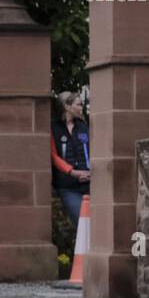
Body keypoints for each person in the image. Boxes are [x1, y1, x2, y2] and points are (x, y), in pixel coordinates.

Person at [52, 90, 91, 233]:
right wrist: (72, 172)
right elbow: (53, 156)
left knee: (98, 225)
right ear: (67, 107)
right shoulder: (53, 128)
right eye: (78, 104)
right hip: (68, 187)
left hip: (89, 184)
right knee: (83, 224)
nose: (82, 108)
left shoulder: (84, 126)